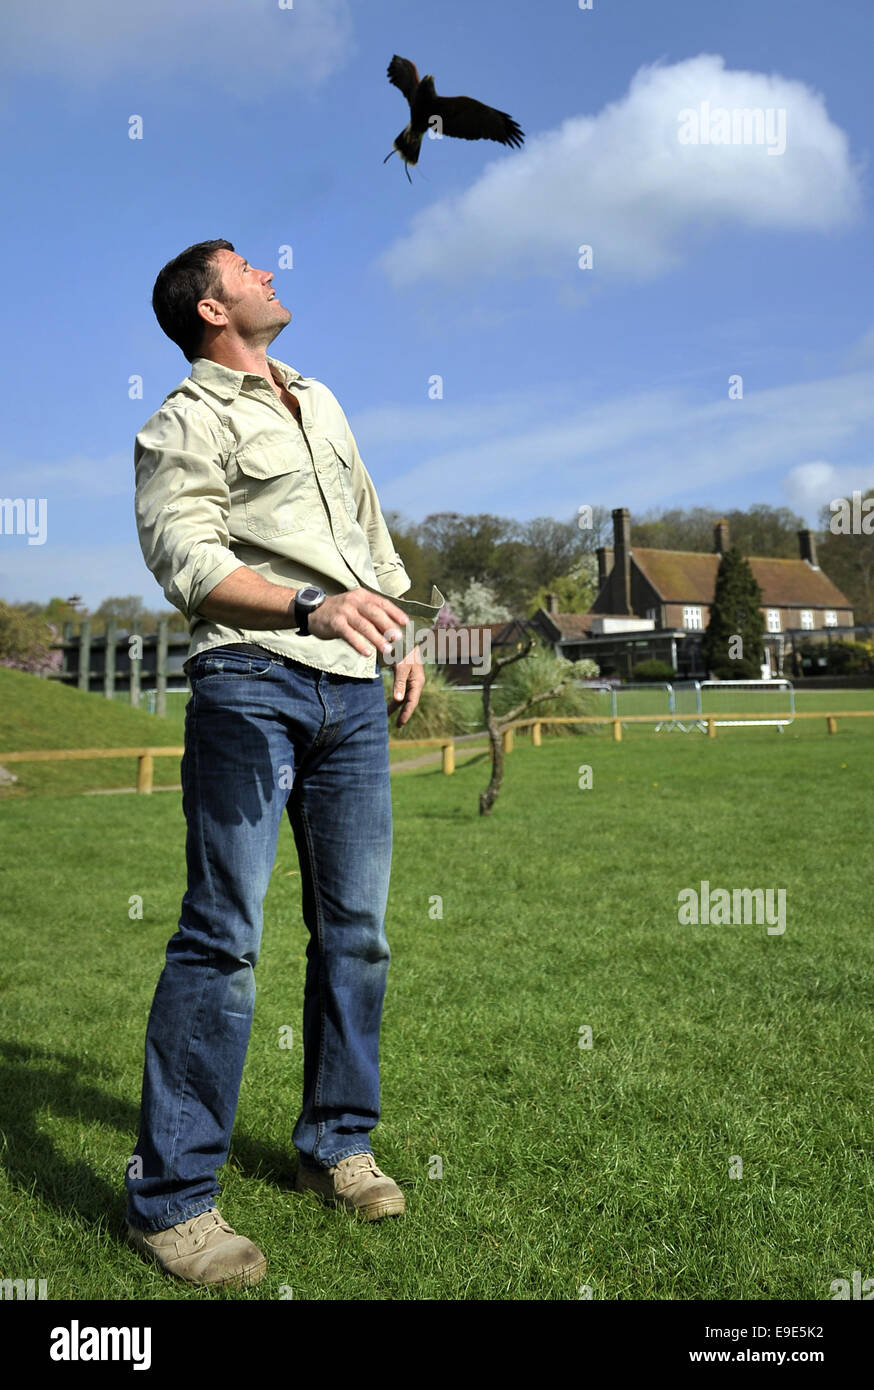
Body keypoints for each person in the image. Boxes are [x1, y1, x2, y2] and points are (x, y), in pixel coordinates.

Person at [126, 238, 443, 1287]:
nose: (269, 272)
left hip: (352, 691)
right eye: (246, 269)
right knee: (223, 937)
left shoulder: (321, 399)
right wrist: (310, 603)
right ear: (213, 310)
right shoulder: (183, 420)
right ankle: (171, 1204)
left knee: (358, 932)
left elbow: (368, 535)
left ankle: (336, 1146)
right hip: (249, 684)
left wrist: (400, 636)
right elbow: (188, 559)